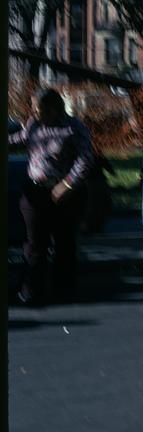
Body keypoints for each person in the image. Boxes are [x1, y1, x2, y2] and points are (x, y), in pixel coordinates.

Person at [9, 88, 94, 305]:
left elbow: (85, 158)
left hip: (65, 195)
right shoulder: (34, 125)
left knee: (64, 242)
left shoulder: (73, 128)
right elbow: (21, 139)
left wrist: (67, 184)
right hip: (35, 192)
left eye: (38, 109)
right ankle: (31, 291)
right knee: (34, 243)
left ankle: (63, 289)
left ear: (53, 108)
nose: (33, 112)